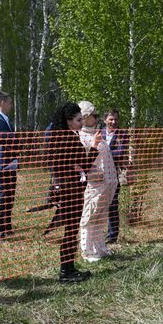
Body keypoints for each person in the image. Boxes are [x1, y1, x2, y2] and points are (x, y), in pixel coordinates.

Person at [43, 101, 94, 283]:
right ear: (68, 120)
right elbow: (85, 164)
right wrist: (94, 148)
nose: (82, 123)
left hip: (66, 187)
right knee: (71, 230)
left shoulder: (57, 137)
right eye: (79, 120)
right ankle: (66, 271)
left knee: (71, 230)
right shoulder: (68, 139)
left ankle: (69, 267)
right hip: (70, 189)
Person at [77, 101, 116, 262]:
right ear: (85, 118)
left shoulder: (96, 133)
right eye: (93, 115)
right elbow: (82, 162)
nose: (96, 118)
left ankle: (99, 247)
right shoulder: (81, 136)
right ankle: (87, 250)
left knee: (101, 216)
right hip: (94, 183)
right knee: (89, 216)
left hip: (106, 182)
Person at [0, 92, 19, 239]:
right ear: (3, 103)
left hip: (9, 165)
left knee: (9, 197)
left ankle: (6, 226)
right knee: (1, 198)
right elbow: (9, 141)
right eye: (10, 103)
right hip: (1, 165)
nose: (11, 106)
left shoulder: (4, 120)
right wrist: (18, 142)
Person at [103, 109, 131, 245]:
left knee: (113, 204)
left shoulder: (123, 134)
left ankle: (112, 236)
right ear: (105, 120)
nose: (113, 122)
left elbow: (120, 152)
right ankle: (96, 235)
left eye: (116, 119)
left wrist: (103, 153)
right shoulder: (98, 133)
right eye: (111, 119)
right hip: (97, 174)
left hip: (114, 174)